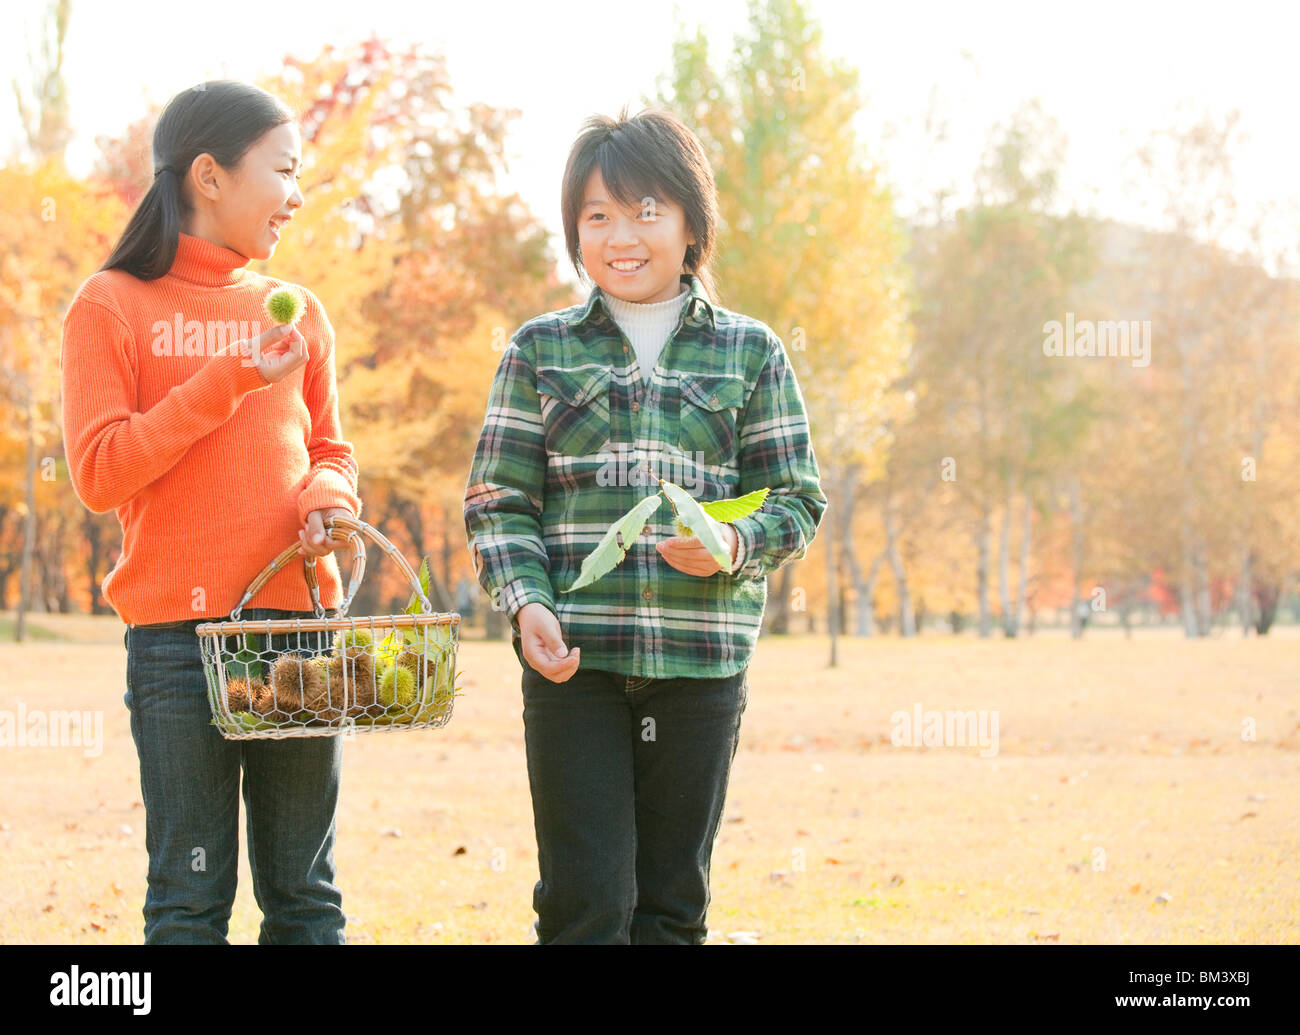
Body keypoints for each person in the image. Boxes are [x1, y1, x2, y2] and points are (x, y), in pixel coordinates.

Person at [463, 106, 828, 944]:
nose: (620, 235)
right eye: (597, 216)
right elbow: (498, 500)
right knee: (583, 904)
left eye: (645, 211)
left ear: (691, 226)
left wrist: (733, 547)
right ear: (575, 233)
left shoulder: (751, 352)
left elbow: (796, 498)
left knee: (671, 907)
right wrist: (527, 603)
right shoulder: (538, 350)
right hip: (574, 666)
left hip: (699, 667)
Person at [59, 80, 363, 944]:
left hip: (299, 632)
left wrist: (328, 500)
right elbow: (101, 470)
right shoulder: (110, 304)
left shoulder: (299, 311)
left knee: (307, 899)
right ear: (210, 175)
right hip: (177, 642)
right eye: (285, 170)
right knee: (189, 902)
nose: (298, 195)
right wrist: (227, 378)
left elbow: (330, 450)